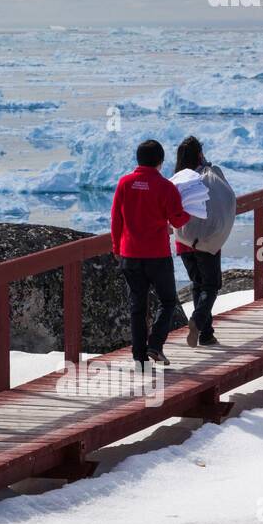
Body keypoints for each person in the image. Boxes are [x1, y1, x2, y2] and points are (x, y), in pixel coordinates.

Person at [111, 139, 191, 366]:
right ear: (160, 161)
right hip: (157, 255)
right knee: (167, 301)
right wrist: (189, 214)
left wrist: (117, 247)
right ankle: (155, 344)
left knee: (137, 306)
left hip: (130, 254)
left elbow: (116, 219)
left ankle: (139, 357)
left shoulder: (125, 183)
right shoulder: (166, 187)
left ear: (138, 159)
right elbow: (177, 218)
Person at [172, 136, 237, 347]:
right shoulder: (211, 175)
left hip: (184, 241)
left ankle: (206, 334)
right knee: (210, 285)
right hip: (208, 240)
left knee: (198, 284)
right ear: (200, 154)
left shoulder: (177, 179)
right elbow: (223, 199)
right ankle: (198, 321)